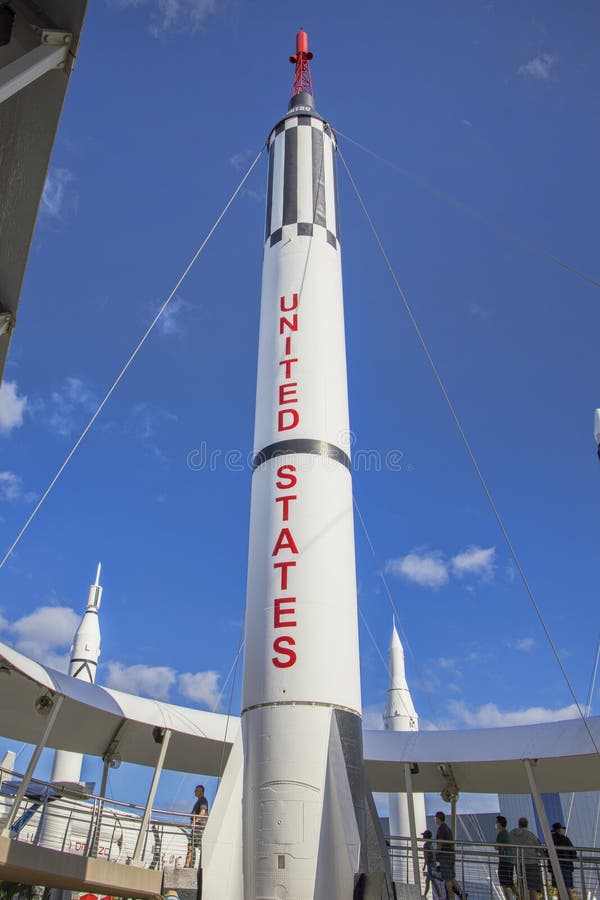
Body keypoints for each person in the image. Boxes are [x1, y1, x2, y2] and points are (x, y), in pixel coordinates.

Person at [435, 811, 467, 900]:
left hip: (444, 857)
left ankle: (451, 897)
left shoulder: (441, 829)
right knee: (451, 877)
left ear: (438, 818)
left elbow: (440, 844)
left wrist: (435, 854)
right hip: (451, 856)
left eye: (436, 818)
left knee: (448, 879)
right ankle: (462, 894)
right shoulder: (447, 829)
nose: (435, 820)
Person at [510, 817, 542, 900]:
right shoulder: (530, 835)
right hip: (531, 862)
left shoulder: (512, 834)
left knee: (522, 885)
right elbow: (539, 848)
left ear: (519, 824)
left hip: (518, 862)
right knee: (532, 887)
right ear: (527, 824)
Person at [184, 784, 209, 867]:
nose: (194, 791)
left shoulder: (203, 800)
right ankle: (187, 865)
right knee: (190, 845)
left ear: (201, 791)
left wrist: (195, 822)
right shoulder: (199, 801)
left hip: (199, 827)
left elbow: (202, 812)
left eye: (196, 790)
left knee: (193, 846)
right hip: (196, 828)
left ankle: (188, 865)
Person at [550, 822, 576, 898]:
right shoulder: (565, 839)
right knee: (567, 888)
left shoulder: (551, 839)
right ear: (559, 830)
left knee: (559, 889)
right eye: (562, 829)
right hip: (565, 866)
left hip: (554, 867)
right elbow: (573, 853)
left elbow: (547, 852)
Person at [495, 815, 518, 900]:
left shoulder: (501, 833)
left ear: (500, 824)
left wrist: (499, 847)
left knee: (504, 883)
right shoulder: (507, 833)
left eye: (497, 823)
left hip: (504, 861)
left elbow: (496, 847)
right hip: (510, 861)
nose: (496, 824)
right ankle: (520, 897)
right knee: (510, 883)